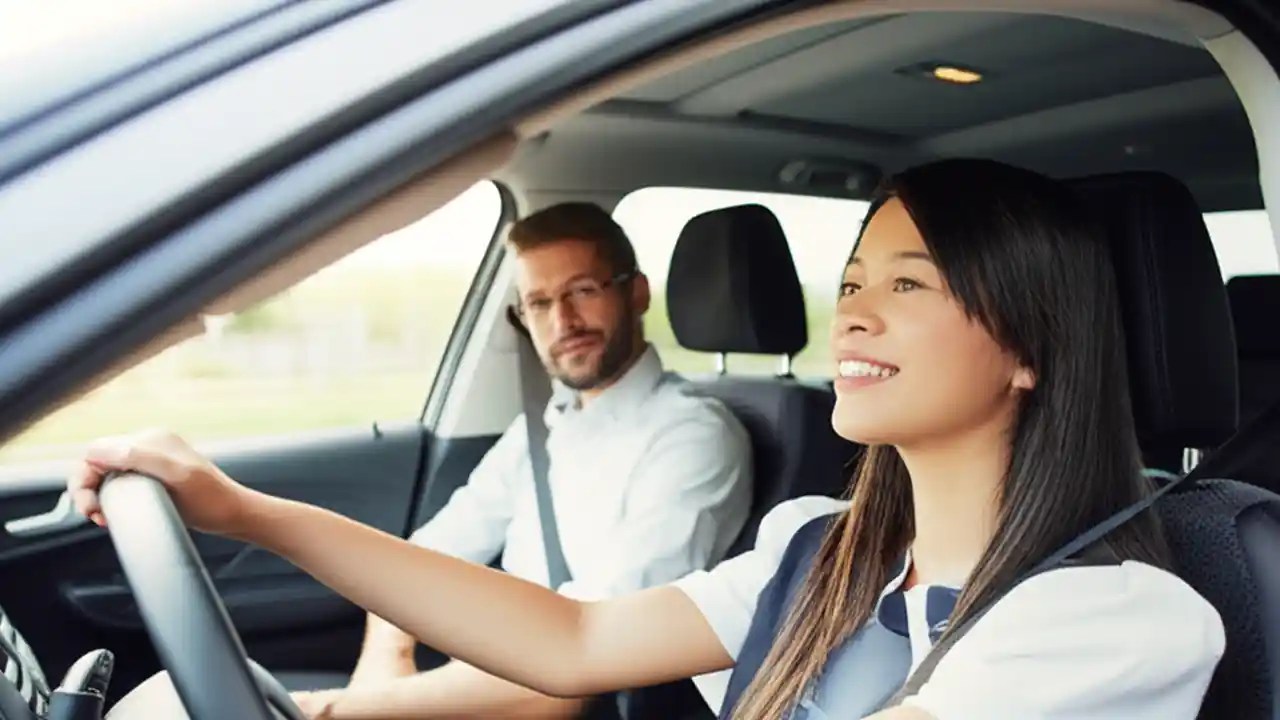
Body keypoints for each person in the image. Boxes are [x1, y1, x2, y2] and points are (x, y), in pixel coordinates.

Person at [70, 159, 1225, 720]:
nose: (854, 313)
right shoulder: (818, 552)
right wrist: (241, 510)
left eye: (908, 284)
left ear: (1028, 346)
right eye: (852, 279)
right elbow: (571, 639)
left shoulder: (1110, 620)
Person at [299, 202, 754, 718]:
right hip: (487, 684)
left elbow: (589, 653)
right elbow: (427, 556)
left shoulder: (693, 438)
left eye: (583, 290)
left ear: (636, 292)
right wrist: (383, 668)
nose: (564, 321)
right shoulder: (541, 427)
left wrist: (349, 708)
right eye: (539, 302)